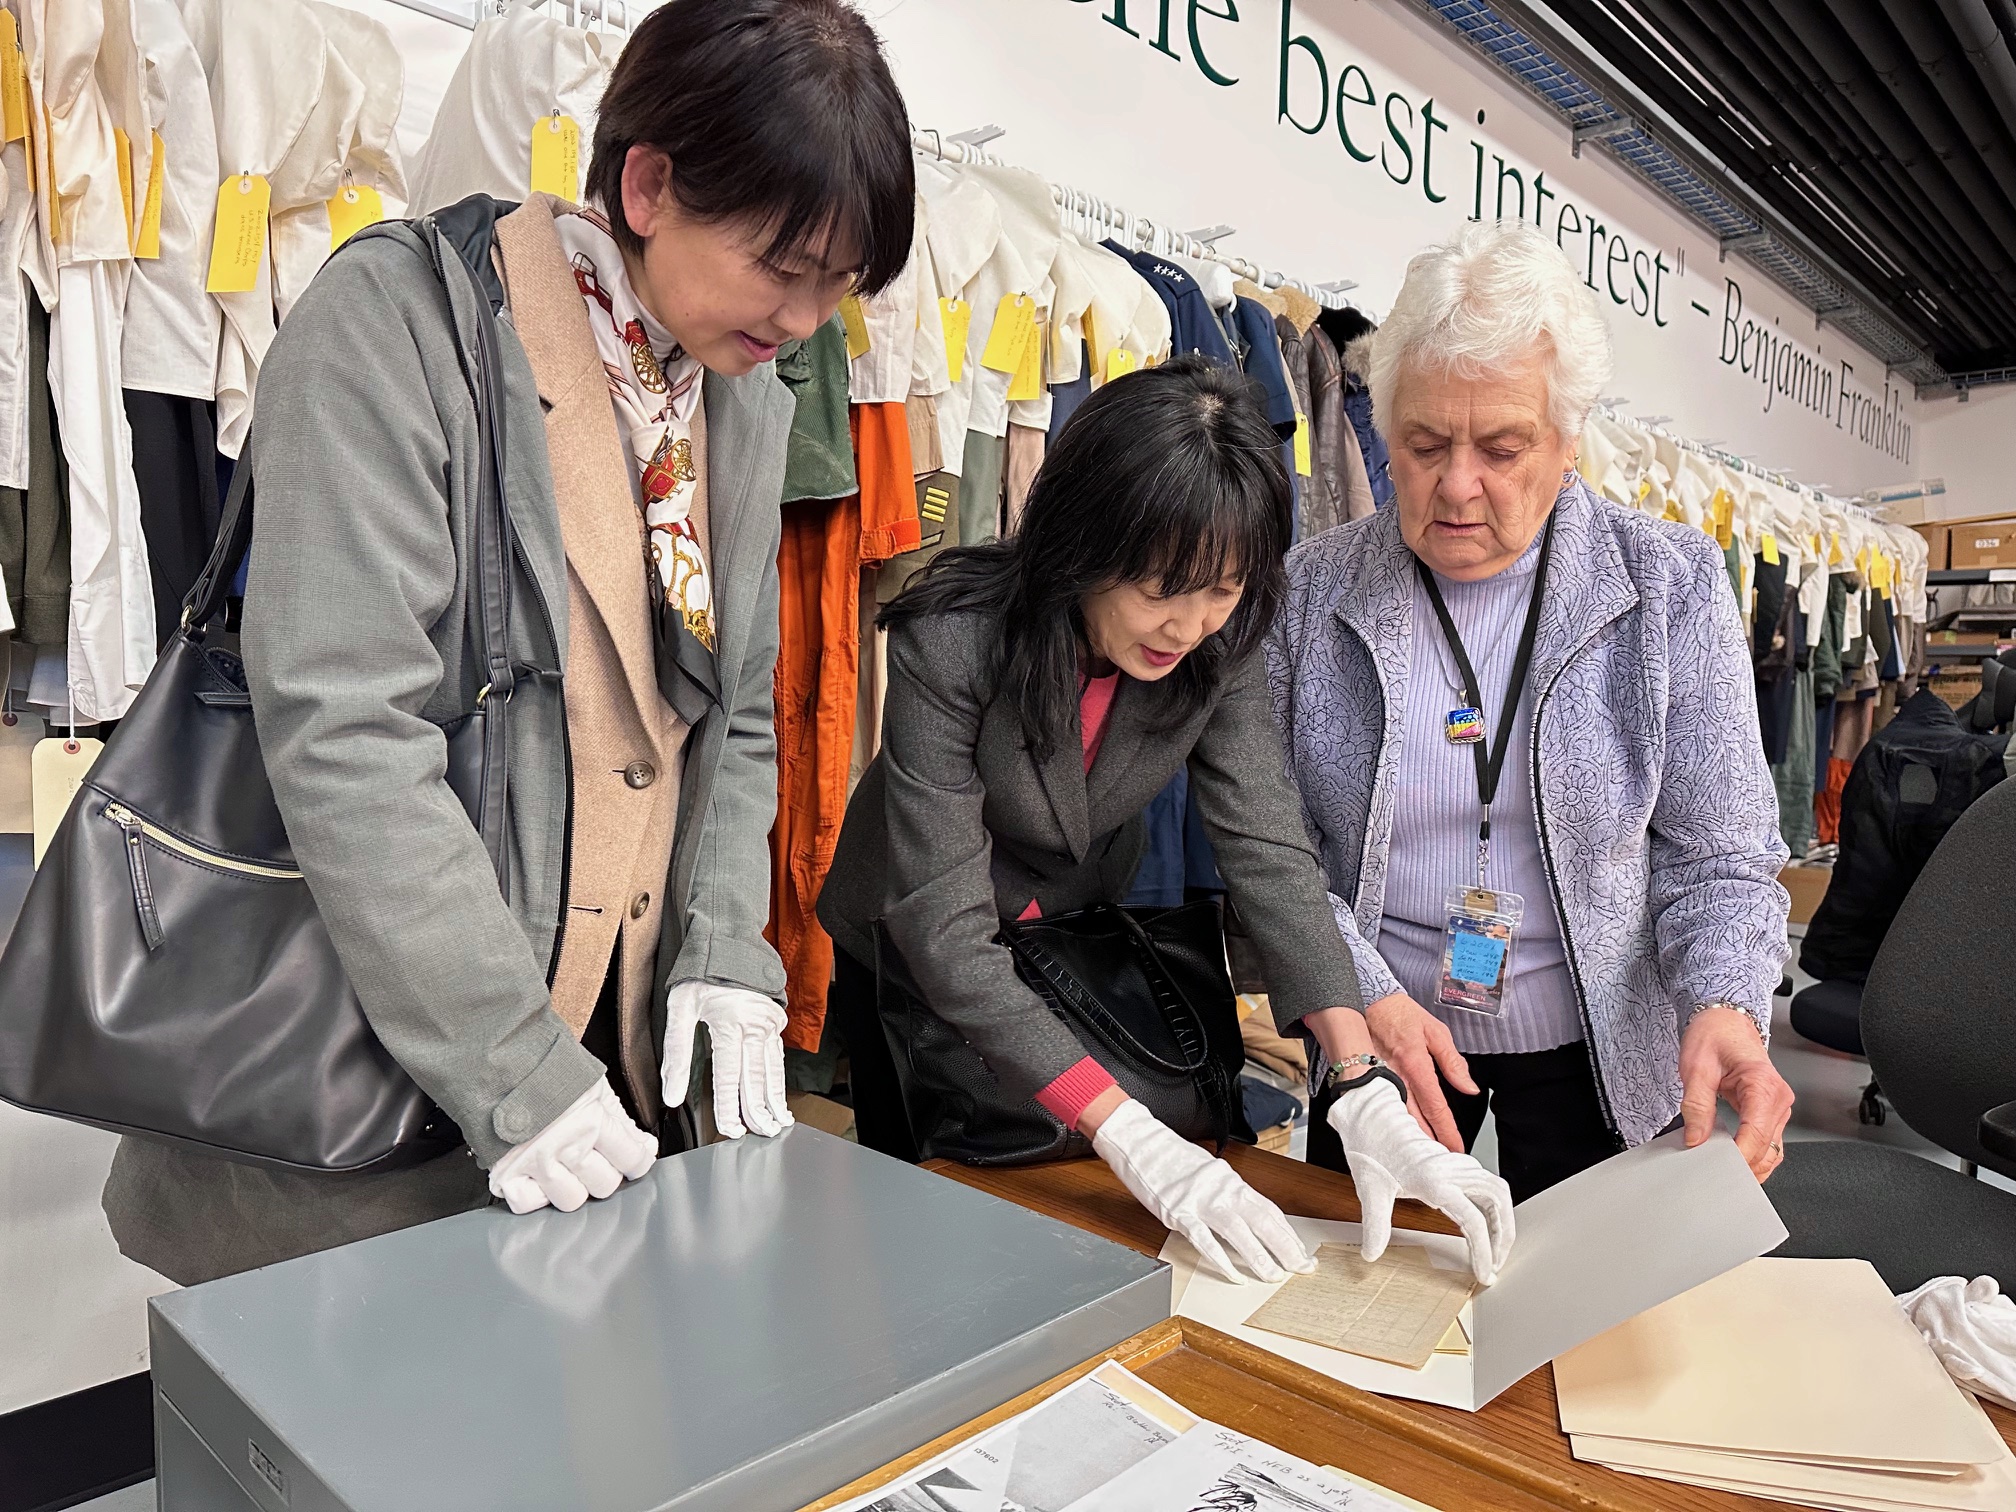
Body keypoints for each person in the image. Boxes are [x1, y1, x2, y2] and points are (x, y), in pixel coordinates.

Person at [100, 0, 916, 1285]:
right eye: (784, 264)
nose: (810, 318)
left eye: (841, 283)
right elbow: (345, 727)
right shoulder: (400, 325)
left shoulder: (737, 397)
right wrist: (507, 1057)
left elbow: (732, 711)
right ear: (649, 182)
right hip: (375, 1078)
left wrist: (715, 941)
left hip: (612, 1076)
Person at [819, 358, 1516, 1288]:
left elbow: (1267, 847)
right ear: (1083, 544)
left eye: (1222, 590)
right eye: (1160, 587)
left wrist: (1356, 1074)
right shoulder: (956, 638)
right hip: (910, 935)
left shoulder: (1219, 640)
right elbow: (945, 933)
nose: (1188, 624)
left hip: (1066, 925)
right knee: (925, 1214)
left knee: (1060, 1228)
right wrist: (1128, 1129)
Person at [1267, 221, 1796, 1204]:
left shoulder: (1667, 585)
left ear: (1568, 440)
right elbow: (1271, 849)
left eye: (1502, 448)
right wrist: (1359, 991)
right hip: (1385, 1037)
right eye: (1424, 445)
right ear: (1383, 431)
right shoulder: (1311, 592)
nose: (1458, 485)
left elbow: (1720, 849)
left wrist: (1725, 1000)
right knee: (1379, 1303)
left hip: (1604, 1049)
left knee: (1595, 1332)